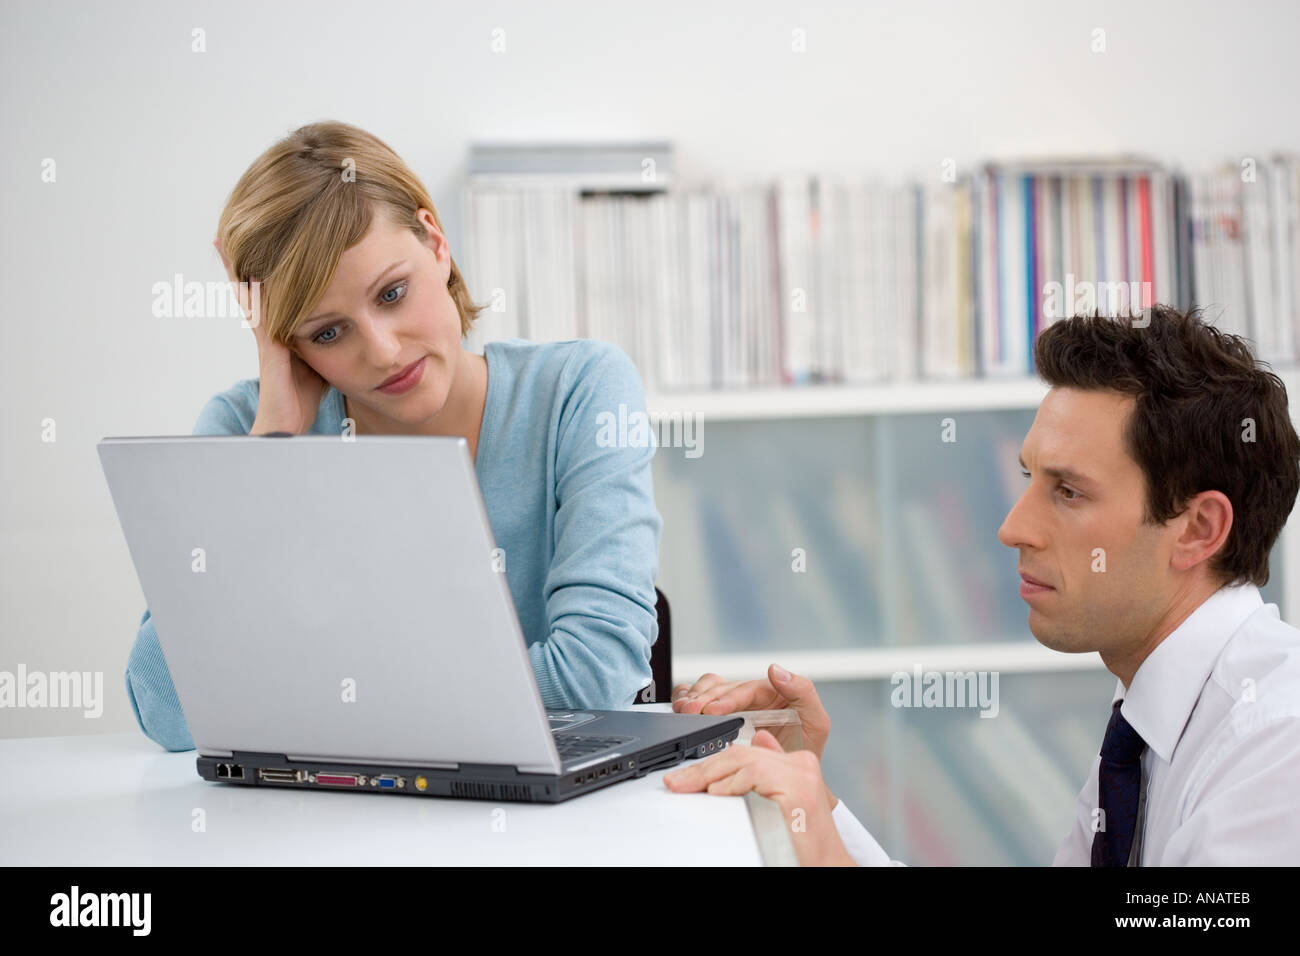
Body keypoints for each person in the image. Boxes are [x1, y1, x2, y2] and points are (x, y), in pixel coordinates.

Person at [666, 306, 1300, 866]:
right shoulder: (1149, 717)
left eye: (1068, 491)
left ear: (1198, 528)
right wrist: (811, 801)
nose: (1011, 528)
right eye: (1029, 479)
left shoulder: (1277, 745)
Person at [125, 121, 662, 751]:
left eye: (392, 293)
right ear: (288, 345)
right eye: (327, 333)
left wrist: (327, 704)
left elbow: (594, 678)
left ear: (435, 242)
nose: (382, 351)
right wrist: (270, 450)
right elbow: (167, 708)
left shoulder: (578, 390)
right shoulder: (249, 432)